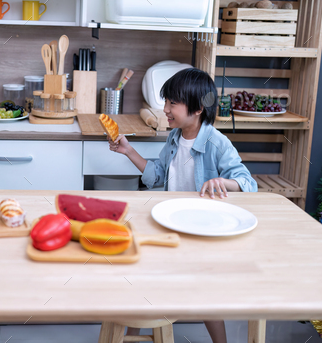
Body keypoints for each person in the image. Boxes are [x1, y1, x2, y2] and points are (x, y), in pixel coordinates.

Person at [109, 67, 258, 343]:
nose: (165, 108)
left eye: (172, 103)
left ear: (198, 108)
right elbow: (155, 176)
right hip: (172, 224)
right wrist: (129, 151)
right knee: (144, 280)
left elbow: (248, 183)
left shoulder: (217, 143)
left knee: (205, 296)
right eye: (166, 101)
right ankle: (130, 333)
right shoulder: (174, 138)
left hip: (202, 231)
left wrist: (224, 183)